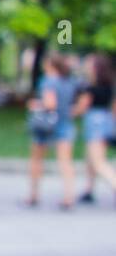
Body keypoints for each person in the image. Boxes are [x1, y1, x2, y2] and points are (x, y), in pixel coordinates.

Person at [26, 53, 79, 209]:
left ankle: (33, 195)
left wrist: (36, 104)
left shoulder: (48, 82)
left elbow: (50, 104)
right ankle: (69, 196)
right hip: (65, 123)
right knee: (66, 162)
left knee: (37, 160)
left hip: (46, 125)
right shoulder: (68, 82)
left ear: (50, 65)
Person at [76, 53, 116, 205]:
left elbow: (82, 107)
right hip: (106, 120)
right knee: (90, 158)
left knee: (98, 161)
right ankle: (89, 190)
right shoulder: (109, 86)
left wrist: (66, 112)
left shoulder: (90, 88)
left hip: (94, 122)